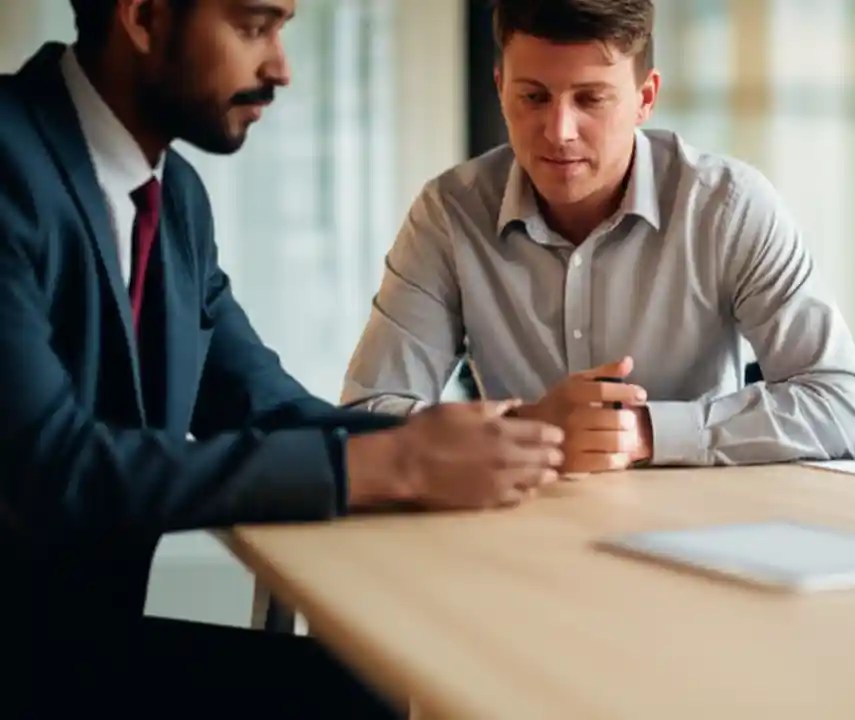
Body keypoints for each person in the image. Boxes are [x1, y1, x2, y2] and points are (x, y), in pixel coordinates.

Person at [0, 0, 563, 715]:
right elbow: (51, 471)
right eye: (252, 27)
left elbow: (261, 405)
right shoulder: (11, 163)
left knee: (374, 683)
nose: (281, 68)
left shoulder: (175, 199)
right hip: (27, 659)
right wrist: (395, 464)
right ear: (143, 18)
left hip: (75, 651)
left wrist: (471, 444)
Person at [343, 0, 855, 474]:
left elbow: (843, 406)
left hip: (698, 523)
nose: (559, 132)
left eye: (590, 99)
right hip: (519, 522)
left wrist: (642, 432)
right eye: (533, 97)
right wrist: (527, 428)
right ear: (500, 87)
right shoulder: (449, 214)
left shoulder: (727, 206)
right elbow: (364, 418)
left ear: (646, 97)